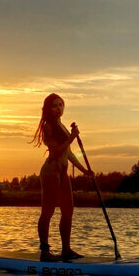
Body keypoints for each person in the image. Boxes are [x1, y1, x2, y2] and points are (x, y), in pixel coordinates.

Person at [31, 94, 91, 261]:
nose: (58, 108)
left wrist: (84, 170)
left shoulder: (62, 125)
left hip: (63, 173)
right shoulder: (48, 126)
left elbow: (69, 153)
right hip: (51, 172)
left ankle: (66, 249)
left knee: (68, 211)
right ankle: (44, 251)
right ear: (48, 109)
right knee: (48, 211)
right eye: (54, 105)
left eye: (61, 105)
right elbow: (56, 152)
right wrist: (72, 137)